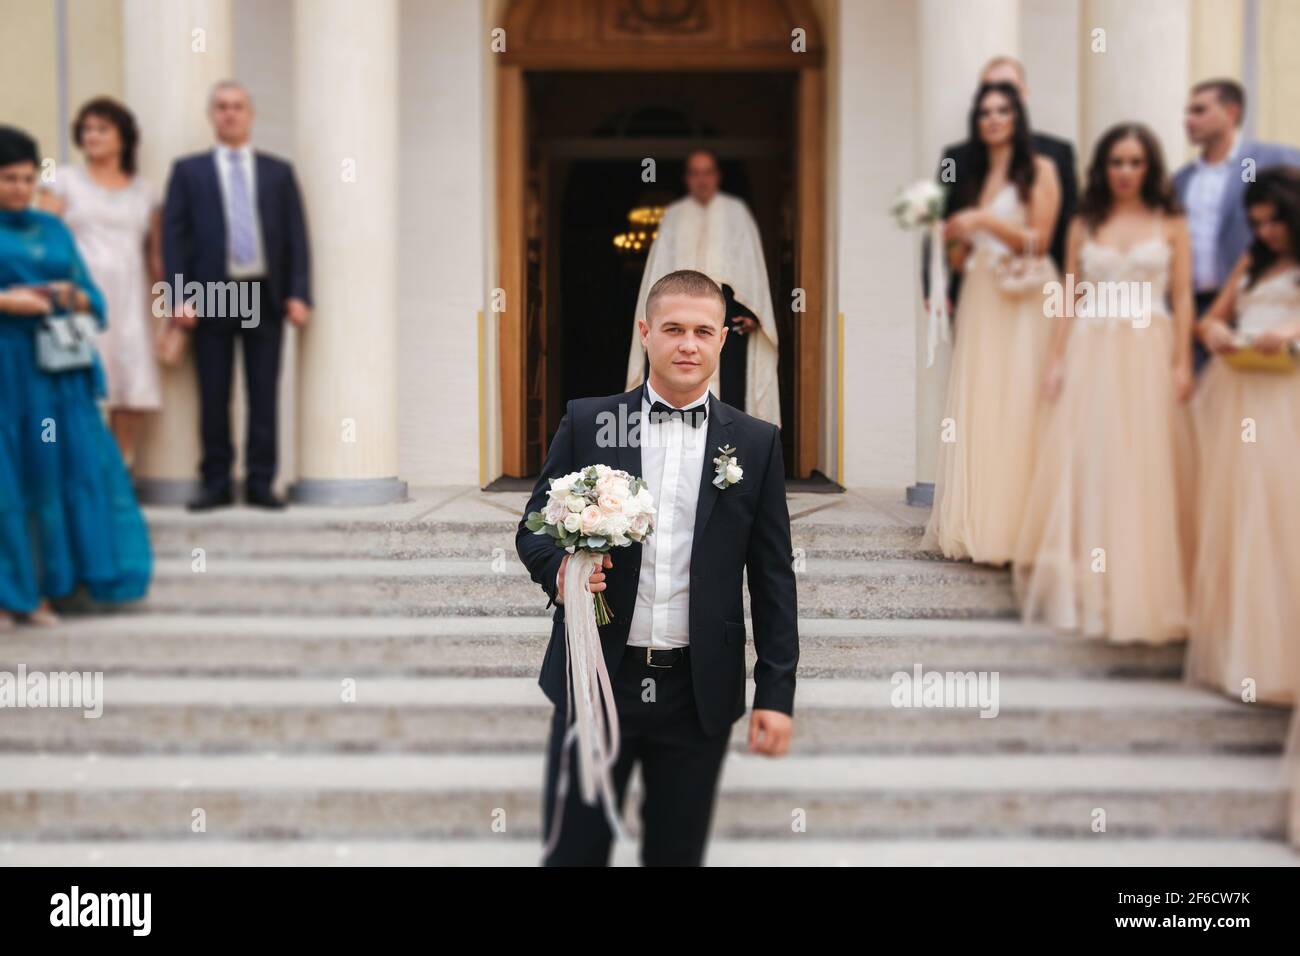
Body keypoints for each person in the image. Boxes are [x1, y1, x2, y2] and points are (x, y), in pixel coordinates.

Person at [518, 269, 799, 866]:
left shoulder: (756, 443)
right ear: (645, 332)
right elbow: (534, 527)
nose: (688, 345)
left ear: (724, 339)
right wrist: (563, 572)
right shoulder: (589, 421)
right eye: (673, 329)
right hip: (596, 678)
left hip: (698, 692)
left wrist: (776, 692)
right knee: (574, 851)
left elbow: (773, 580)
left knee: (676, 854)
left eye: (703, 331)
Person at [1014, 124, 1195, 642]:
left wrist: (1183, 363)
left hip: (1149, 347)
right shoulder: (1083, 222)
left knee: (1147, 465)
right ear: (1103, 168)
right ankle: (1091, 590)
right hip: (1091, 349)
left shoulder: (1172, 222)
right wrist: (1055, 360)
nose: (1125, 172)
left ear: (1150, 167)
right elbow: (1068, 295)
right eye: (1116, 162)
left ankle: (1145, 590)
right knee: (1095, 463)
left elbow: (1182, 298)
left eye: (1135, 162)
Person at [0, 125, 152, 631]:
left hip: (57, 377)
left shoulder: (54, 230)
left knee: (51, 480)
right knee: (7, 487)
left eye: (26, 178)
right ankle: (9, 596)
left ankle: (46, 591)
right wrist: (7, 302)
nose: (19, 188)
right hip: (7, 373)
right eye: (7, 178)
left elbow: (93, 296)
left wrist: (70, 295)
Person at [920, 81, 1061, 565]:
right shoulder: (976, 174)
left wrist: (980, 219)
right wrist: (952, 243)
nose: (993, 119)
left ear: (1017, 118)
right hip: (981, 293)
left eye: (1002, 111)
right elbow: (966, 255)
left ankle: (1024, 530)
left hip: (1023, 297)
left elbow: (1038, 242)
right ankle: (981, 523)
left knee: (1021, 402)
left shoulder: (1040, 169)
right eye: (985, 112)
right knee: (982, 402)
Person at [162, 79, 311, 511]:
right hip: (211, 295)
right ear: (213, 116)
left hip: (265, 294)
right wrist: (178, 295)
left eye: (237, 107)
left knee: (263, 391)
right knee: (213, 393)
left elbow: (296, 237)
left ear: (250, 115)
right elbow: (175, 237)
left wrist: (299, 293)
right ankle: (216, 483)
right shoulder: (189, 172)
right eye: (222, 107)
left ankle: (261, 482)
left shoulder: (277, 172)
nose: (229, 113)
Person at [1185, 167, 1300, 703]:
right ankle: (1246, 654)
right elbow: (1207, 320)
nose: (1268, 232)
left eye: (1276, 222)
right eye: (1258, 223)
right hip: (1239, 395)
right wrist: (1219, 332)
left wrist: (1292, 332)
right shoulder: (1252, 261)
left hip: (1287, 399)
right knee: (1240, 518)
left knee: (1283, 517)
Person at [37, 97, 162, 468]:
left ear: (123, 137)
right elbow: (42, 241)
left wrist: (171, 308)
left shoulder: (145, 191)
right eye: (87, 129)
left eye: (102, 129)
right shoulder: (62, 181)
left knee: (130, 387)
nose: (92, 136)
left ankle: (119, 469)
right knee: (79, 385)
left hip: (131, 300)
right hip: (79, 297)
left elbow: (156, 257)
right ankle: (79, 469)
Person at [624, 149, 781, 426]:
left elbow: (750, 271)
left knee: (730, 397)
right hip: (676, 309)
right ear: (687, 179)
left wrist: (751, 313)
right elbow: (658, 272)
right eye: (695, 173)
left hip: (726, 317)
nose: (702, 180)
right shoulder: (674, 215)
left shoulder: (736, 213)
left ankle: (729, 462)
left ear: (717, 176)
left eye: (707, 172)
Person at [923, 55, 1077, 312]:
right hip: (974, 284)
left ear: (1023, 95)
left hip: (1033, 283)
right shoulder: (953, 159)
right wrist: (934, 286)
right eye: (988, 90)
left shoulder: (1057, 154)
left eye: (1008, 90)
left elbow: (1070, 222)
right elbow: (939, 217)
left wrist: (1072, 287)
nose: (995, 111)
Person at [1173, 78, 1300, 374]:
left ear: (1231, 112)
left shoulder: (1272, 158)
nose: (1188, 121)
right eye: (1187, 112)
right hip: (1201, 305)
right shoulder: (1180, 180)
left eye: (1199, 111)